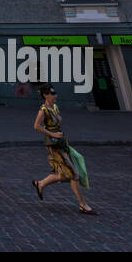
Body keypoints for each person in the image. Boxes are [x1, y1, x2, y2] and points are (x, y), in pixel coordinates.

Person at [32, 83, 95, 214]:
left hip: (61, 144)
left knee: (65, 175)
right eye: (52, 94)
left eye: (55, 93)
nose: (55, 96)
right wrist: (52, 134)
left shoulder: (54, 107)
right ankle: (83, 204)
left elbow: (58, 120)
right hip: (54, 146)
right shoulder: (43, 110)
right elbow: (36, 126)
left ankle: (41, 184)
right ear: (45, 95)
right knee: (74, 175)